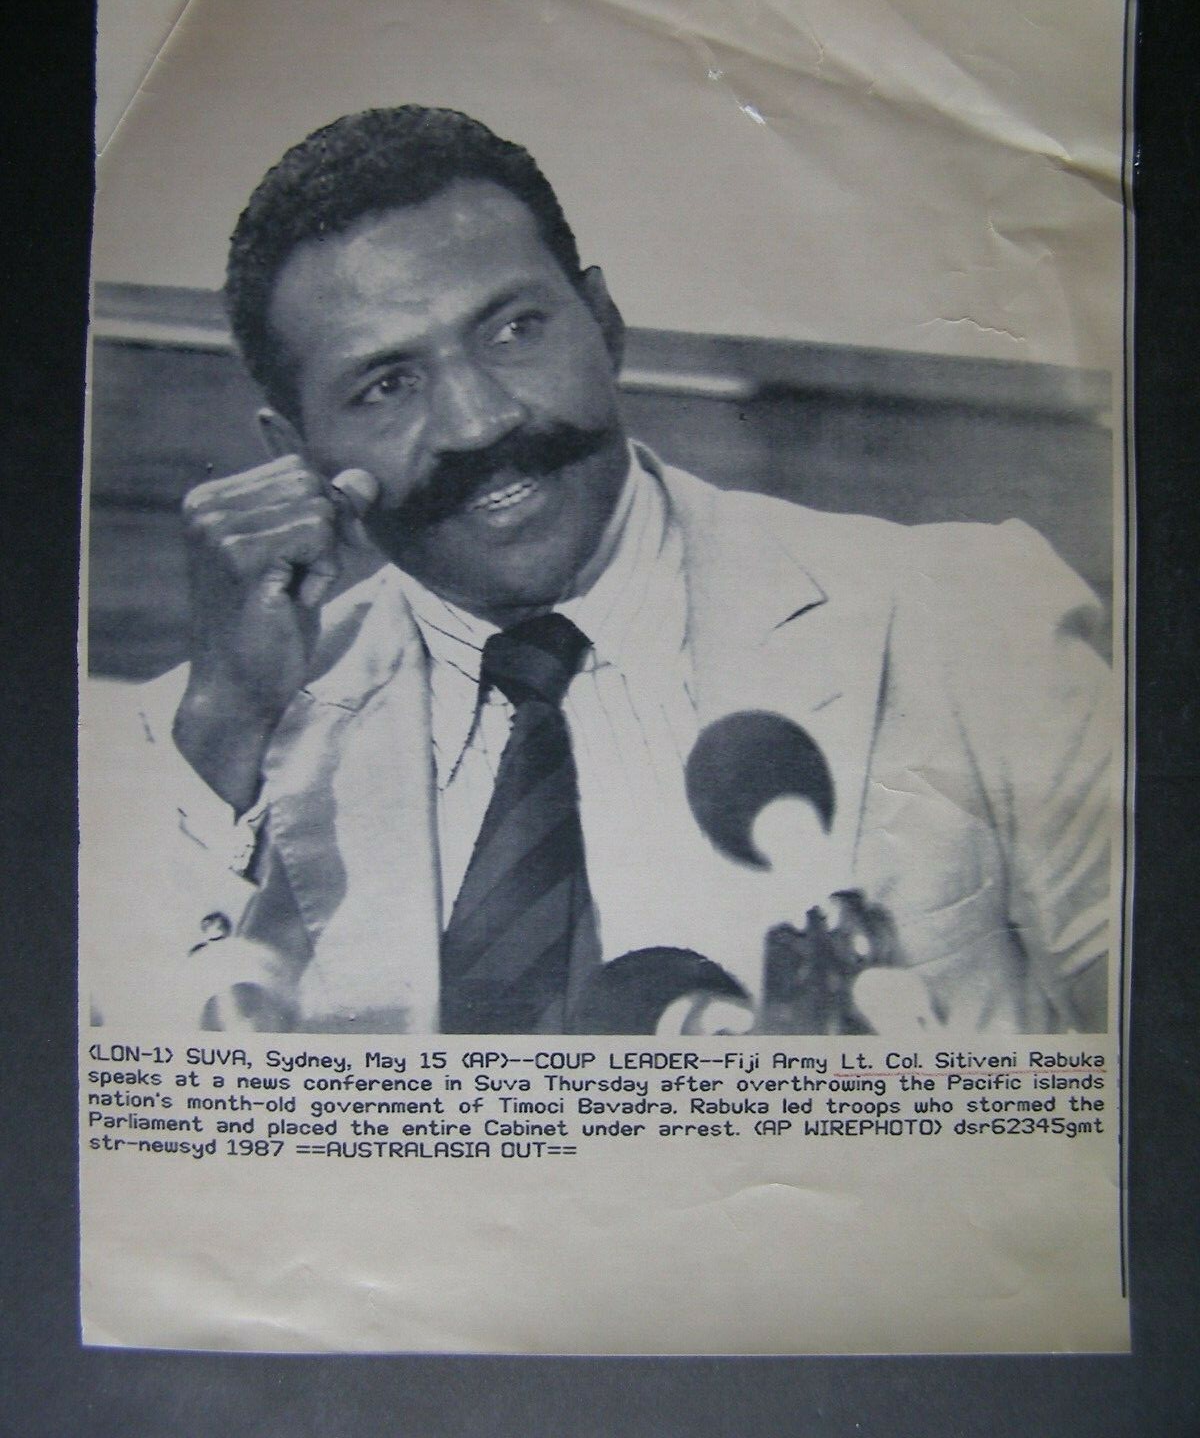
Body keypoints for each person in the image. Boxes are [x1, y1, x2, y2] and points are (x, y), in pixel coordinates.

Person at [84, 105, 1114, 1036]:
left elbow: (1160, 1058)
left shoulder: (975, 620)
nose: (481, 420)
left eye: (515, 329)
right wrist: (226, 716)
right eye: (385, 385)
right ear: (295, 452)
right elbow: (114, 1104)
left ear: (604, 323)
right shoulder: (198, 746)